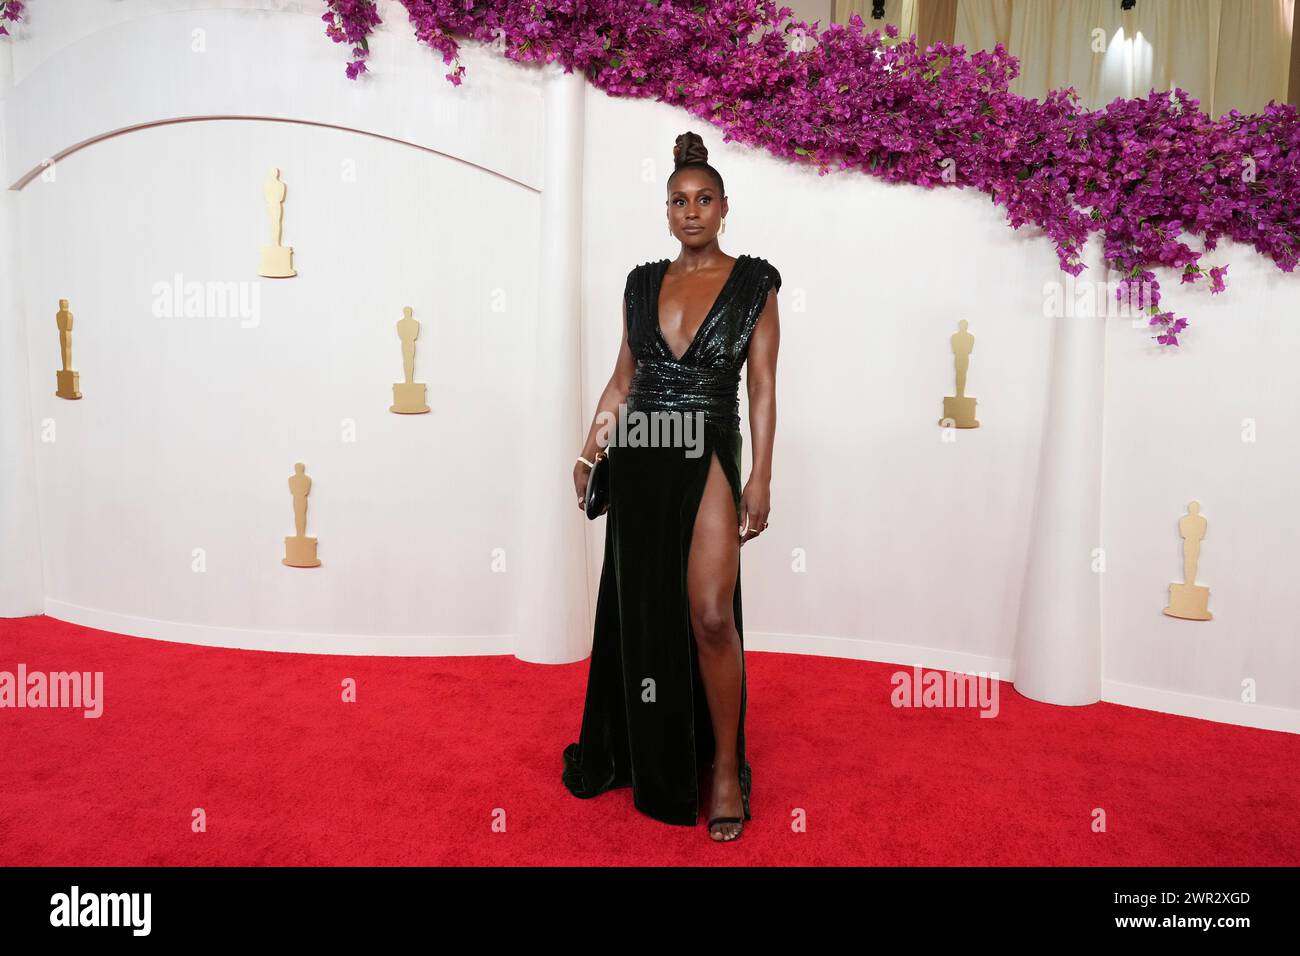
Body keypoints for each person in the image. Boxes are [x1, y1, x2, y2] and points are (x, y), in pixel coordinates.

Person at [562, 131, 781, 843]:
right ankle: (649, 755)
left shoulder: (755, 283)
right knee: (647, 613)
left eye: (704, 199)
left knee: (712, 613)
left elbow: (764, 388)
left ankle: (723, 767)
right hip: (643, 454)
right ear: (667, 212)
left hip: (708, 447)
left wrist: (761, 476)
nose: (691, 211)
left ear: (724, 208)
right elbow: (624, 381)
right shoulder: (640, 283)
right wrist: (591, 452)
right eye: (678, 201)